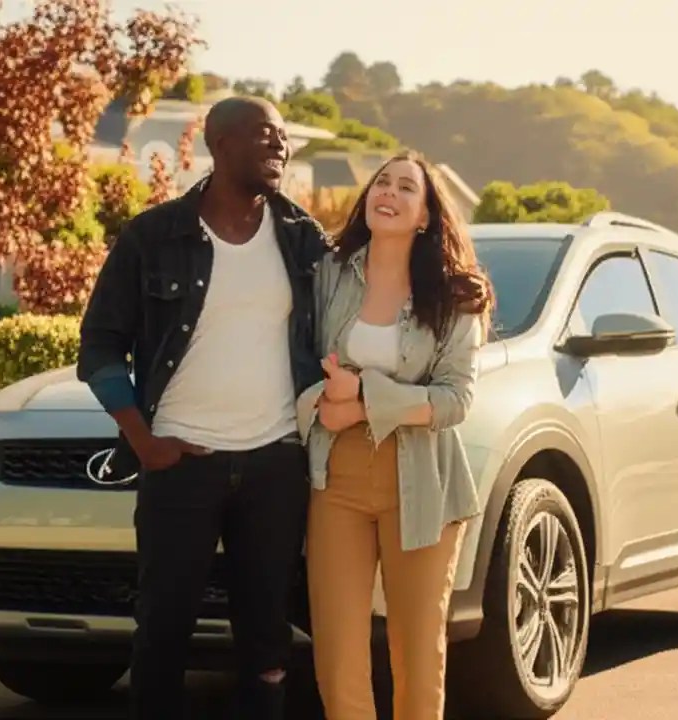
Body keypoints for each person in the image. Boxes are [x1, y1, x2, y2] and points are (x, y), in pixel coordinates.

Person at [76, 96, 329, 720]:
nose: (279, 147)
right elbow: (99, 346)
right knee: (163, 628)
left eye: (282, 138)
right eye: (264, 135)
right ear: (220, 144)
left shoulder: (303, 240)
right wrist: (145, 442)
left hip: (275, 463)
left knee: (267, 636)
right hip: (181, 460)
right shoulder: (153, 236)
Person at [296, 150, 494, 719]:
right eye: (382, 182)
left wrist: (362, 402)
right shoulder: (331, 273)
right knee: (337, 651)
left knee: (417, 649)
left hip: (423, 479)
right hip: (336, 475)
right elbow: (299, 362)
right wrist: (321, 406)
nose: (389, 192)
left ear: (427, 214)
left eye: (407, 187)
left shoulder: (457, 294)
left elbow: (456, 400)